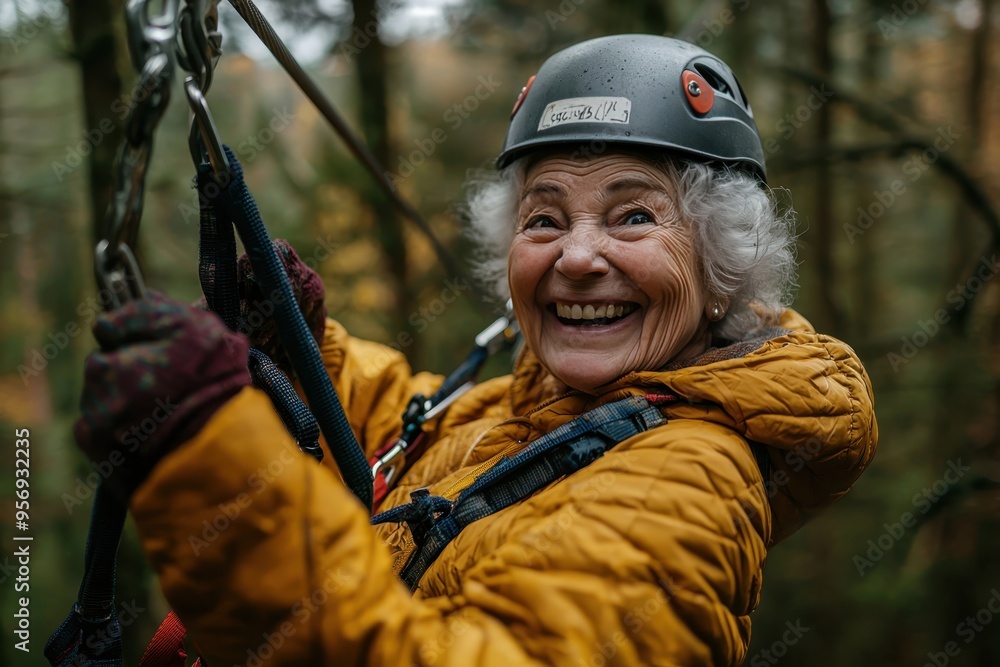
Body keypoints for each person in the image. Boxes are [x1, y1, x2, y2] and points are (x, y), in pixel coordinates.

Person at [74, 34, 877, 666]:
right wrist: (301, 353)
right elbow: (415, 443)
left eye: (634, 216)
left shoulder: (690, 483)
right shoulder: (542, 404)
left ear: (720, 264)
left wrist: (213, 461)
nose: (576, 256)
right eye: (544, 218)